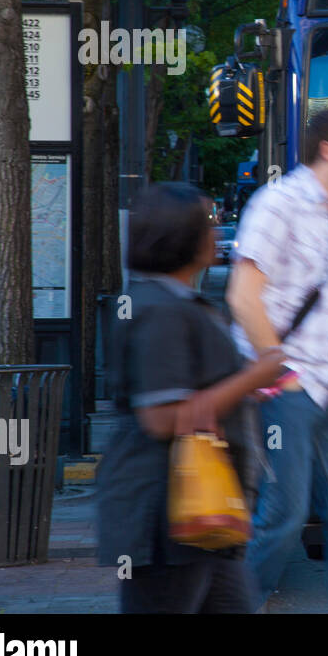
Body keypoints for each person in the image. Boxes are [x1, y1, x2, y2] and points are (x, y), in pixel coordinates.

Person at [227, 106, 328, 613]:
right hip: (285, 390)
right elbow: (242, 297)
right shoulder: (277, 205)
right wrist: (283, 375)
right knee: (285, 513)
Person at [97, 183, 285, 613]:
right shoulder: (159, 309)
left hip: (204, 518)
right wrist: (253, 374)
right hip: (168, 517)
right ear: (179, 234)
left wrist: (243, 384)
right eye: (210, 222)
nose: (218, 231)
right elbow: (161, 418)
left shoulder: (182, 303)